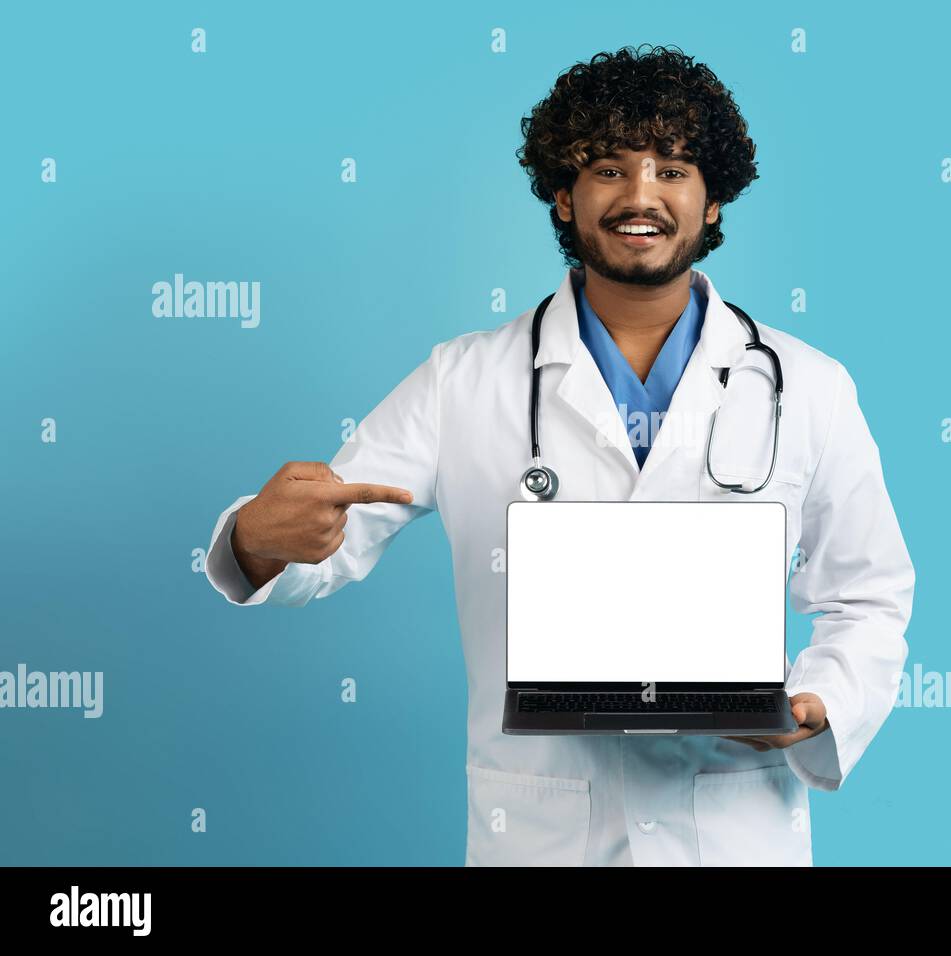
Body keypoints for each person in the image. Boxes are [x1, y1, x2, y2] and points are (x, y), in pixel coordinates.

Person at [204, 44, 915, 866]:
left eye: (673, 169)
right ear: (563, 198)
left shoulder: (810, 385)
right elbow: (329, 537)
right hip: (540, 834)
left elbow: (868, 595)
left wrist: (817, 700)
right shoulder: (461, 380)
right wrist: (260, 536)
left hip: (732, 827)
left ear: (714, 199)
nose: (640, 195)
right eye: (608, 169)